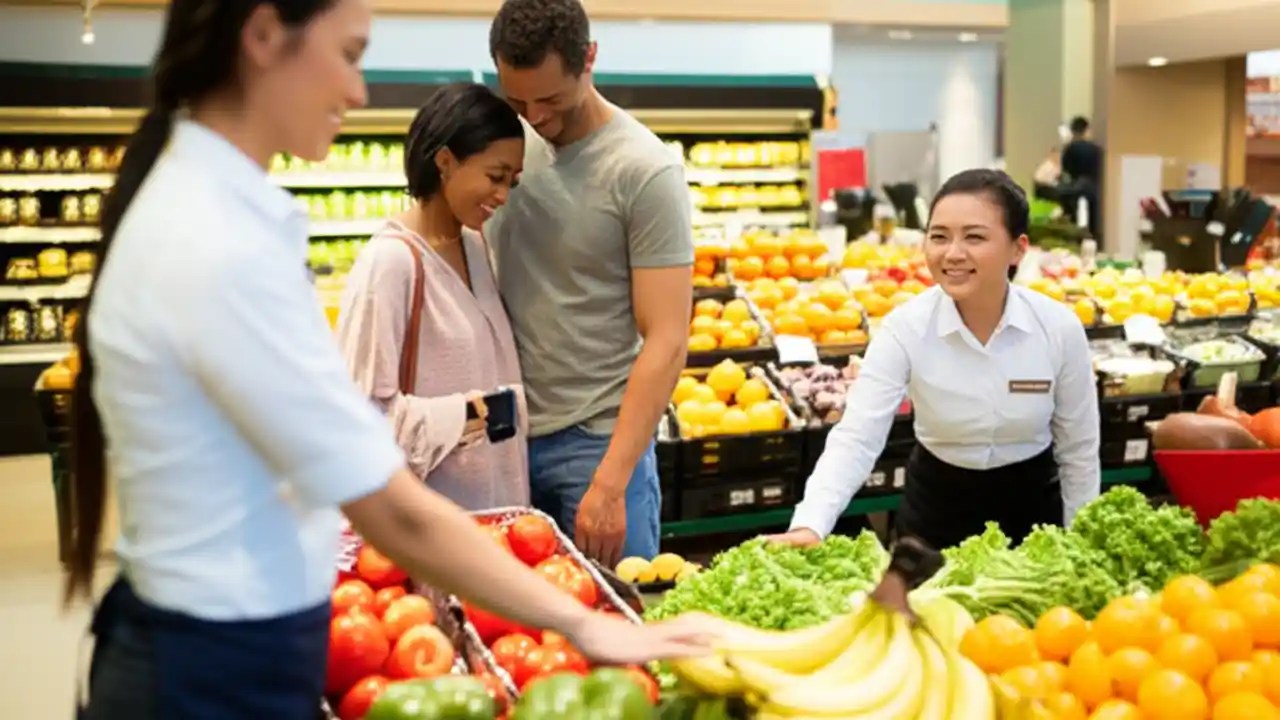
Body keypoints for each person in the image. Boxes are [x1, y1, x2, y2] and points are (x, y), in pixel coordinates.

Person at [67, 3, 706, 717]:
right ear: (263, 38)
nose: (357, 90)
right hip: (209, 668)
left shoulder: (211, 210)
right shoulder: (215, 244)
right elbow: (383, 500)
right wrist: (582, 622)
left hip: (219, 644)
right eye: (347, 54)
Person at [769, 169, 1100, 552]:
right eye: (939, 236)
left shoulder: (1058, 328)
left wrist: (1081, 544)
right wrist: (810, 524)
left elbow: (1078, 451)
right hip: (936, 515)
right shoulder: (905, 329)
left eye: (974, 237)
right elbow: (857, 437)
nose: (953, 253)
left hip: (1032, 517)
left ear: (1018, 249)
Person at [484, 0, 694, 567]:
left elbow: (668, 337)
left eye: (550, 99)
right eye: (517, 100)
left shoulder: (644, 171)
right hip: (500, 439)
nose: (534, 117)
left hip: (596, 445)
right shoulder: (503, 143)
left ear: (590, 60)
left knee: (619, 622)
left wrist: (611, 480)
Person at [336, 82, 529, 510]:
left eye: (512, 182)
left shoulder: (477, 249)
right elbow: (359, 414)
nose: (503, 196)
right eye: (495, 177)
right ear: (445, 161)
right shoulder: (390, 263)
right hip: (427, 525)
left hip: (496, 513)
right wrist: (476, 412)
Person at [1060, 116, 1102, 238]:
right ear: (1086, 129)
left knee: (1073, 215)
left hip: (1075, 185)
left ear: (1073, 130)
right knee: (1093, 217)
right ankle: (1093, 239)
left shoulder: (1070, 148)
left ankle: (1075, 237)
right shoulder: (1095, 149)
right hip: (1092, 186)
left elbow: (1066, 169)